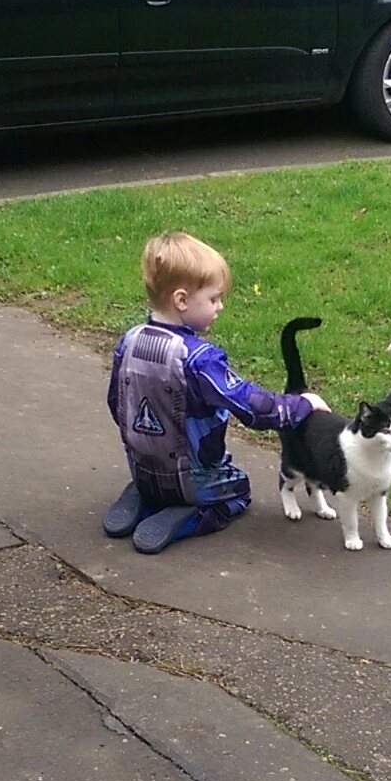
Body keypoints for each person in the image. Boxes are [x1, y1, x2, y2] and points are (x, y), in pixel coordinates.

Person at [104, 231, 329, 554]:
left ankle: (145, 494)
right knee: (239, 490)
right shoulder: (198, 359)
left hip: (141, 464)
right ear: (181, 300)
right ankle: (186, 518)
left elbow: (117, 404)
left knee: (157, 476)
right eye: (213, 298)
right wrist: (301, 405)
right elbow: (253, 408)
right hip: (191, 479)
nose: (220, 306)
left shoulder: (130, 340)